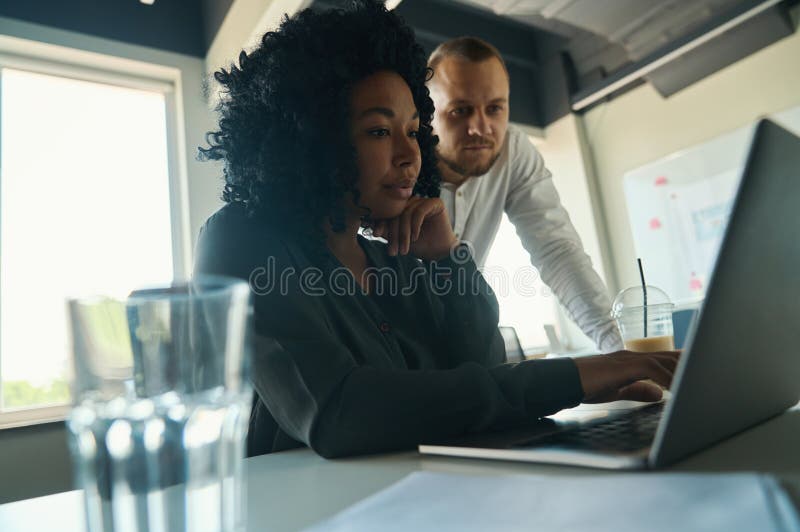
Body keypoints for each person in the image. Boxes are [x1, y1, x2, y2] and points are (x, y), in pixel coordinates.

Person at [195, 0, 679, 459]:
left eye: (412, 131)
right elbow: (340, 413)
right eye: (380, 131)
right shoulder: (240, 239)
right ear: (314, 140)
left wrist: (447, 257)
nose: (409, 155)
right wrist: (573, 378)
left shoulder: (397, 255)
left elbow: (482, 369)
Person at [418, 37, 622, 352]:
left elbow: (556, 251)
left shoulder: (513, 151)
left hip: (464, 331)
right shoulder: (396, 163)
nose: (480, 127)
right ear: (427, 114)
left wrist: (616, 347)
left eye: (495, 108)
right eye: (460, 111)